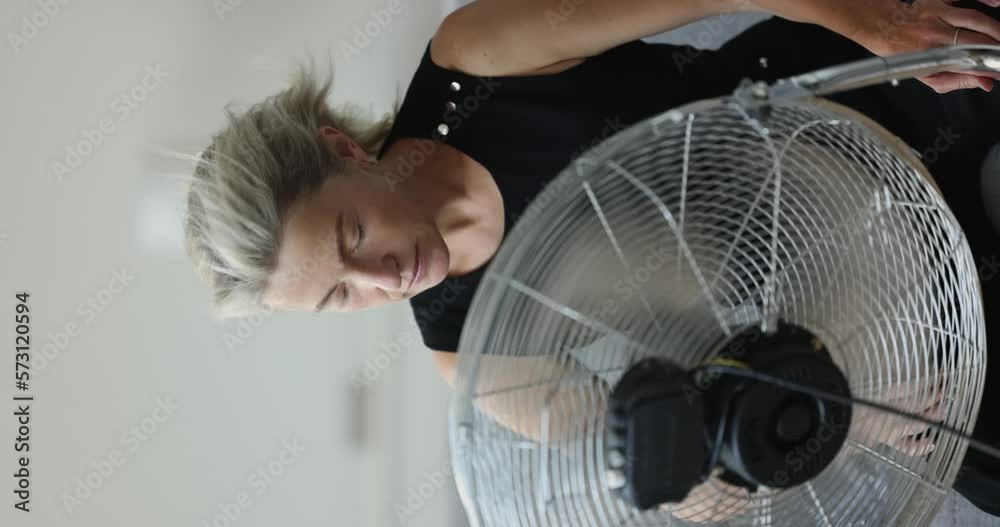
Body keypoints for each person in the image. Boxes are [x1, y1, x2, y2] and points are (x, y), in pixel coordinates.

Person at [182, 0, 1000, 520]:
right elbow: (688, 481)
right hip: (858, 301)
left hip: (838, 95)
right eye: (339, 296)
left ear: (342, 151)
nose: (381, 278)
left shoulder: (475, 59)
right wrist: (853, 415)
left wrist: (876, 24)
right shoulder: (472, 346)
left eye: (352, 236)